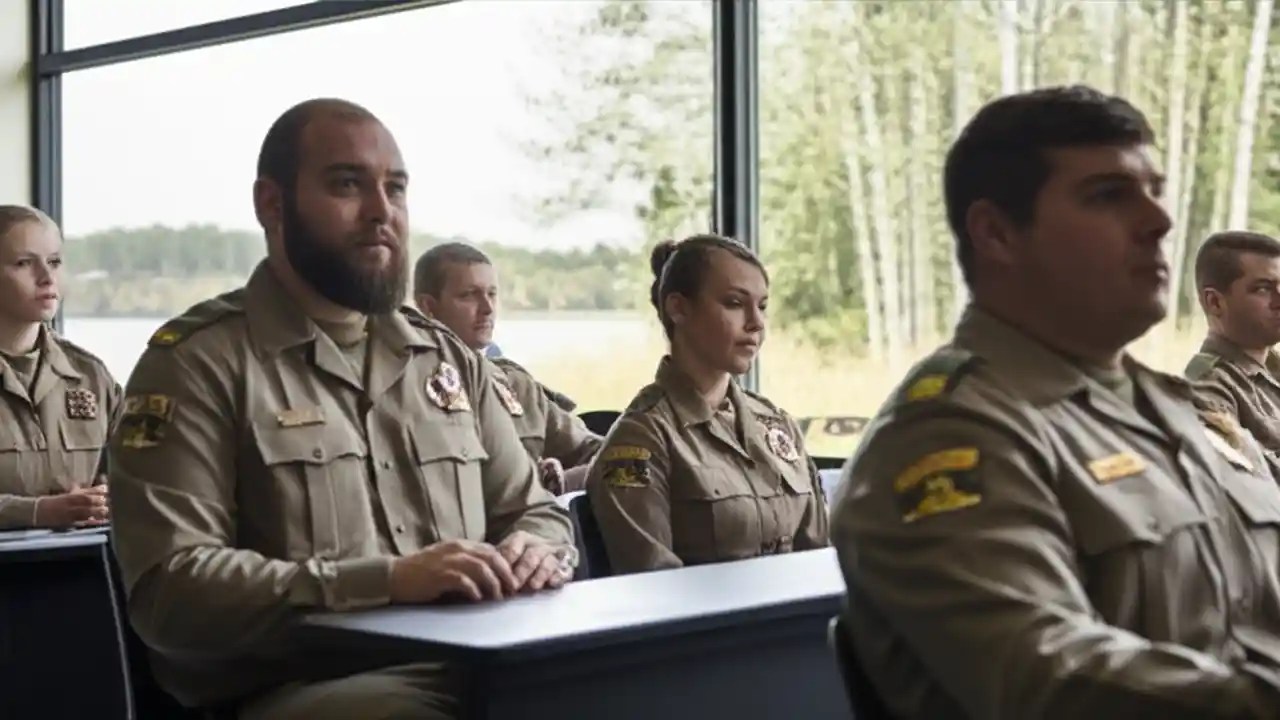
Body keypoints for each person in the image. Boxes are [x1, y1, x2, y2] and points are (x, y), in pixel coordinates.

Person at [108, 99, 575, 720]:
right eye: (348, 185)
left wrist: (535, 548)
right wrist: (384, 581)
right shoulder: (199, 364)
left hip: (479, 660)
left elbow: (535, 510)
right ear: (272, 205)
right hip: (301, 687)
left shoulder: (446, 361)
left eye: (396, 189)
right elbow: (172, 592)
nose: (382, 212)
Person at [831, 85, 1280, 720]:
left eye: (1154, 190)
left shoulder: (1176, 409)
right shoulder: (951, 433)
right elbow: (1048, 679)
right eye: (1108, 195)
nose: (1159, 220)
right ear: (996, 234)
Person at [586, 234, 828, 575]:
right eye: (733, 303)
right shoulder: (641, 440)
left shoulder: (776, 425)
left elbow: (821, 555)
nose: (756, 323)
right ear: (678, 308)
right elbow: (652, 587)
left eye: (761, 307)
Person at [414, 242, 601, 494]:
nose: (487, 309)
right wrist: (541, 482)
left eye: (491, 294)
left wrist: (562, 480)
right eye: (469, 295)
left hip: (538, 527)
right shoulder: (410, 388)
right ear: (428, 307)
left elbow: (596, 450)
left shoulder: (514, 384)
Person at [0, 205, 117, 530]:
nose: (46, 277)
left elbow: (138, 474)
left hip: (83, 571)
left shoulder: (90, 375)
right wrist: (37, 512)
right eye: (24, 263)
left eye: (54, 262)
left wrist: (107, 499)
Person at [1185, 231, 1280, 457]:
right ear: (1215, 302)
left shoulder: (1272, 367)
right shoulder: (1208, 390)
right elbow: (1244, 483)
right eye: (1263, 289)